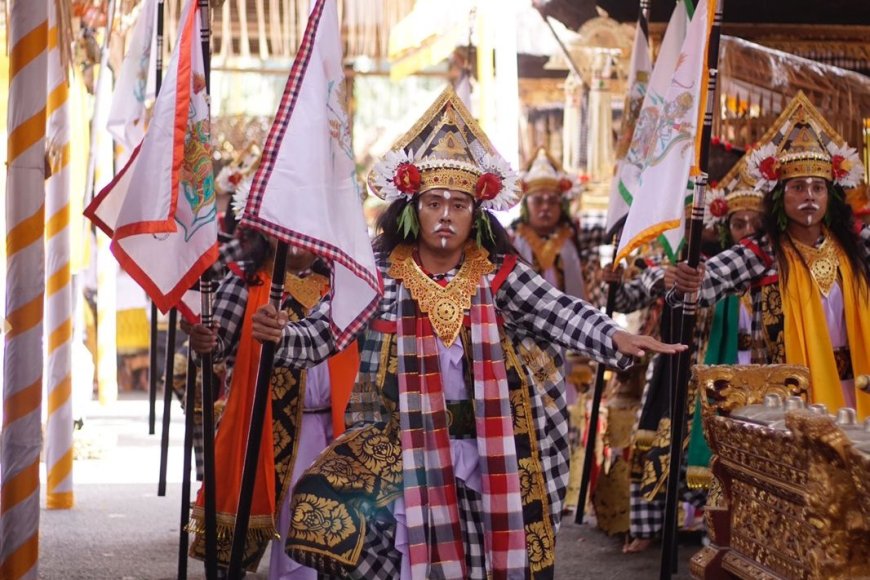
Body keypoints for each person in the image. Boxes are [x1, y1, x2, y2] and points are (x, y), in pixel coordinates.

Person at [249, 86, 685, 579]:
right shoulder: (380, 272)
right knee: (332, 518)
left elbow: (560, 311)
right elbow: (325, 330)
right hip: (399, 445)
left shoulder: (496, 273)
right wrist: (282, 336)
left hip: (487, 447)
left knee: (484, 559)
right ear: (413, 209)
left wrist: (616, 338)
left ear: (475, 215)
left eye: (459, 205)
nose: (445, 215)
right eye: (434, 202)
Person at [670, 91, 870, 419]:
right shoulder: (762, 252)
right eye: (798, 187)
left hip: (858, 393)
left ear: (829, 197)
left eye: (818, 188)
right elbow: (704, 283)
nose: (809, 196)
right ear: (779, 196)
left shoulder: (856, 245)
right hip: (789, 403)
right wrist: (687, 280)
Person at [186, 222, 358, 577]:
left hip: (336, 427)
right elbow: (219, 342)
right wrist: (204, 342)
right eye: (286, 229)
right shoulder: (246, 281)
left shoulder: (342, 285)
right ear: (266, 231)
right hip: (266, 427)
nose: (295, 241)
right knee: (289, 517)